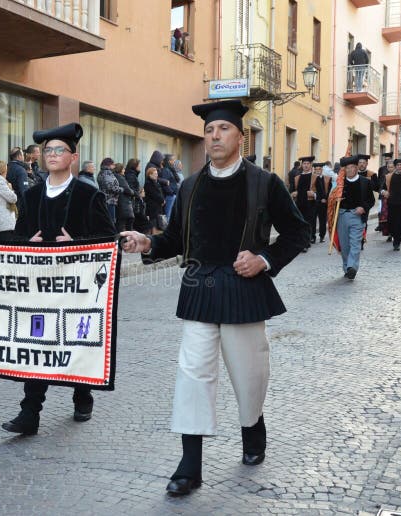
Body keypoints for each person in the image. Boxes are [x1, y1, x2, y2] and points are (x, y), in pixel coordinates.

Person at [119, 100, 309, 497]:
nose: (215, 136)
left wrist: (264, 258)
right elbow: (174, 240)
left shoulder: (263, 182)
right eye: (209, 131)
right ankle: (190, 466)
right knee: (193, 376)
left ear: (241, 136)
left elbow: (298, 233)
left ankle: (252, 426)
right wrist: (146, 242)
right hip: (200, 291)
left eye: (223, 129)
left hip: (245, 291)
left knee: (249, 375)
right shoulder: (190, 186)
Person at [1, 123, 115, 436]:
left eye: (59, 150)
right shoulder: (32, 195)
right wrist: (28, 244)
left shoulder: (88, 195)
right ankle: (30, 412)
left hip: (78, 285)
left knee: (75, 340)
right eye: (48, 150)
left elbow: (109, 239)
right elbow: (17, 238)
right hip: (39, 284)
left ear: (73, 157)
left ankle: (82, 395)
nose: (52, 155)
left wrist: (77, 244)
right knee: (37, 343)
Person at [328, 156, 374, 279]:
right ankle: (346, 267)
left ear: (357, 168)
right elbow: (331, 199)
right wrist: (335, 199)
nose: (350, 170)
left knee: (355, 243)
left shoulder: (365, 182)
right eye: (347, 168)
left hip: (356, 217)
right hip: (341, 216)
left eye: (352, 167)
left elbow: (371, 200)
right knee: (345, 245)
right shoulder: (340, 183)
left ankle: (352, 267)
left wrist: (363, 208)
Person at [290, 156, 323, 248]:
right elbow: (291, 191)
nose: (306, 165)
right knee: (300, 223)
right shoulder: (297, 177)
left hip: (310, 204)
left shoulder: (315, 178)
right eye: (304, 163)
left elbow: (321, 193)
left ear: (311, 165)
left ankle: (306, 243)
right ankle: (302, 241)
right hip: (298, 203)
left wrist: (314, 194)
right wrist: (293, 193)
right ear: (302, 165)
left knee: (308, 223)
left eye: (308, 164)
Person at [97, 158, 123, 224]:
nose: (114, 166)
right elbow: (111, 187)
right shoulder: (107, 173)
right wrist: (121, 189)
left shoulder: (101, 172)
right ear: (109, 165)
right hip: (109, 200)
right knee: (111, 221)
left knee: (107, 220)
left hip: (105, 199)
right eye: (113, 164)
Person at [6, 147, 28, 217]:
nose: (24, 157)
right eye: (23, 155)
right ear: (19, 156)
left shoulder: (5, 167)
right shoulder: (21, 170)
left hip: (5, 204)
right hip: (18, 205)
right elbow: (24, 191)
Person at [114, 161, 136, 232]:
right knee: (126, 225)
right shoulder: (120, 178)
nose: (124, 170)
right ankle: (123, 241)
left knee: (120, 225)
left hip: (120, 204)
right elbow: (127, 190)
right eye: (123, 169)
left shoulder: (115, 177)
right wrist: (133, 192)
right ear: (119, 169)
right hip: (124, 204)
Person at [144, 166, 166, 234]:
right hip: (152, 206)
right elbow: (155, 194)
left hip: (157, 205)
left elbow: (159, 193)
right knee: (153, 223)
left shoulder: (155, 182)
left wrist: (162, 200)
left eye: (157, 173)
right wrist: (162, 200)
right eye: (155, 174)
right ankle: (153, 236)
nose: (157, 175)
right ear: (150, 175)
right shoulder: (148, 183)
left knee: (157, 222)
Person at [160, 154, 181, 220]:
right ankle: (167, 228)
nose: (174, 161)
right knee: (168, 214)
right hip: (169, 195)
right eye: (173, 160)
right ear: (169, 161)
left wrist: (173, 169)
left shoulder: (170, 169)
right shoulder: (165, 170)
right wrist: (171, 193)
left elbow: (177, 179)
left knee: (171, 213)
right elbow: (165, 184)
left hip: (172, 194)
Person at [379, 160, 395, 240]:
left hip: (396, 200)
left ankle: (395, 233)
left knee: (395, 218)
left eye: (392, 167)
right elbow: (381, 187)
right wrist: (383, 191)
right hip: (387, 200)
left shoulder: (399, 176)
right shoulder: (385, 176)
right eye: (388, 167)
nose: (390, 168)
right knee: (387, 217)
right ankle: (389, 234)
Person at [314, 162, 330, 243]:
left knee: (322, 220)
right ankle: (312, 237)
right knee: (312, 220)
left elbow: (329, 190)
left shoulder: (327, 179)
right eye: (316, 169)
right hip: (313, 202)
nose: (317, 171)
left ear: (322, 170)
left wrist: (325, 199)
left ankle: (322, 236)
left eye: (319, 169)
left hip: (323, 203)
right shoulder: (311, 179)